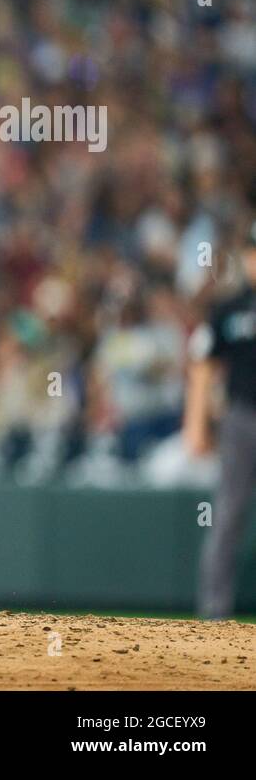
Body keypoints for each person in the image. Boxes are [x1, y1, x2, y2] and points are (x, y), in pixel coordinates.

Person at [185, 219, 256, 620]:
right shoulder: (229, 308)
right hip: (242, 418)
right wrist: (195, 423)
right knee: (228, 515)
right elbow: (202, 365)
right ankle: (213, 616)